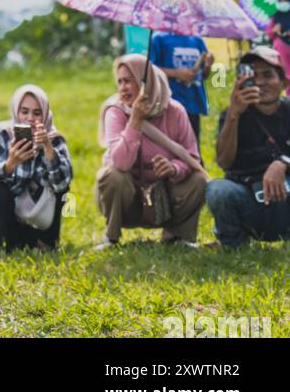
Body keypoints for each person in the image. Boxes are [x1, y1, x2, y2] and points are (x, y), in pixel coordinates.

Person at [94, 54, 208, 249]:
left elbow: (192, 157)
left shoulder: (175, 111)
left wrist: (173, 168)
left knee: (198, 179)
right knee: (113, 175)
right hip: (129, 197)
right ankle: (111, 237)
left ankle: (177, 237)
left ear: (147, 82)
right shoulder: (116, 111)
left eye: (129, 81)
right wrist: (135, 122)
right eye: (119, 81)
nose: (122, 87)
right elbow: (120, 162)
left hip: (165, 193)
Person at [0, 84, 73, 254]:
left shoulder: (54, 139)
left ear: (46, 114)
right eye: (24, 112)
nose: (30, 118)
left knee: (60, 189)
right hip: (4, 220)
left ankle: (46, 243)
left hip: (40, 221)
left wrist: (48, 150)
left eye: (37, 113)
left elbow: (63, 185)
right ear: (15, 112)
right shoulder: (2, 133)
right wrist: (9, 165)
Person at [206, 46, 290, 249]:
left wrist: (282, 163)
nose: (260, 82)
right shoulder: (233, 114)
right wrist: (234, 114)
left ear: (283, 83)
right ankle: (233, 243)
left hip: (285, 196)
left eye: (267, 75)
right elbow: (224, 161)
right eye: (252, 75)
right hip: (249, 197)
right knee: (218, 190)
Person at [148, 31, 213, 141]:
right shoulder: (159, 38)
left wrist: (208, 66)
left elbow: (204, 75)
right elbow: (151, 70)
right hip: (169, 106)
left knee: (192, 147)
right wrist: (177, 73)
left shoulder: (197, 40)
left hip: (193, 105)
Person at [266, 0, 290, 91]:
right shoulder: (275, 17)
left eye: (285, 0)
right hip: (281, 45)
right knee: (286, 71)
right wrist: (274, 30)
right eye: (281, 1)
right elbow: (269, 34)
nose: (283, 3)